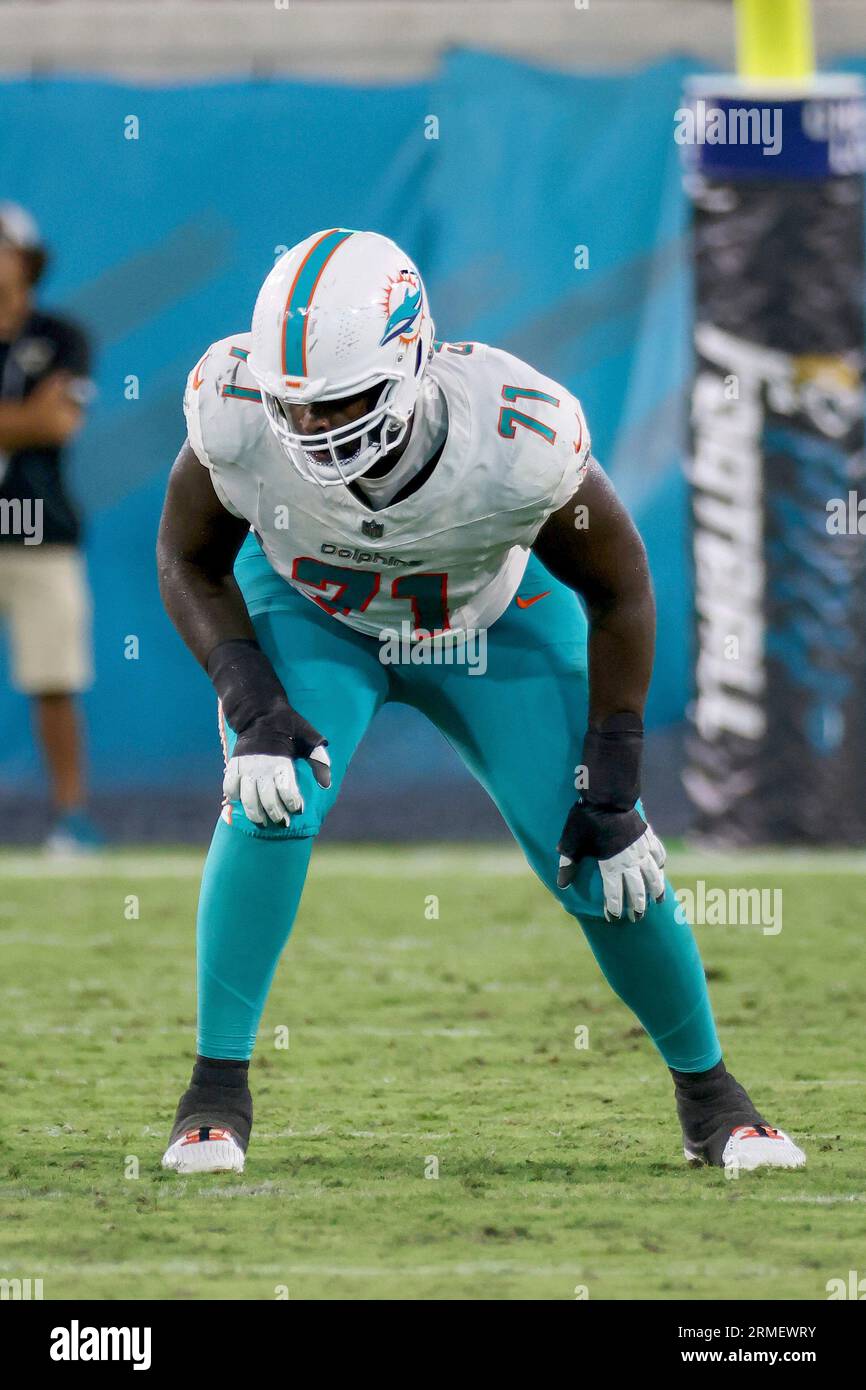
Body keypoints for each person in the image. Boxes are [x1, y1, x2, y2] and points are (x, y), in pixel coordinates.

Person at [157, 228, 804, 1176]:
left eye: (342, 402)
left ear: (413, 359)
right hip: (311, 613)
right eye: (297, 407)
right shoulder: (238, 407)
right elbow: (188, 556)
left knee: (602, 858)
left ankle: (715, 1102)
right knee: (268, 799)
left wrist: (615, 774)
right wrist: (250, 701)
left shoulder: (515, 433)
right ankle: (213, 1096)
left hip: (491, 622)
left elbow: (621, 587)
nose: (314, 432)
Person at [0, 202, 101, 852]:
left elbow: (56, 423)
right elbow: (31, 419)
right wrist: (23, 415)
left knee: (54, 682)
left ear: (25, 260)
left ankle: (71, 819)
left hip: (41, 533)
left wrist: (33, 418)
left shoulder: (62, 335)